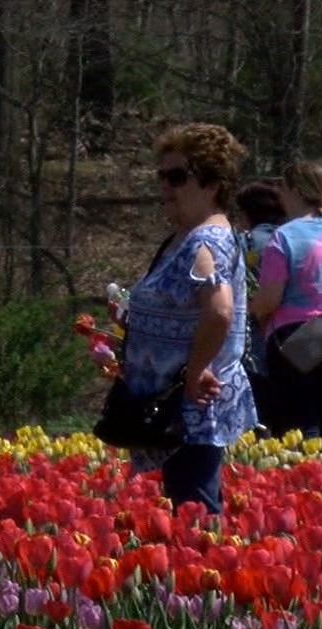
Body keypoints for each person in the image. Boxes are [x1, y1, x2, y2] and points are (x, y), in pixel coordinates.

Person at [117, 122, 257, 515]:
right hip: (175, 402)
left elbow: (219, 309)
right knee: (190, 502)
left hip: (191, 406)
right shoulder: (189, 235)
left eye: (177, 177)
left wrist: (195, 371)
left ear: (211, 183)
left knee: (194, 509)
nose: (165, 186)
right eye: (161, 176)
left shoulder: (204, 241)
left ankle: (207, 558)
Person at [250, 161, 322, 446]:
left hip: (298, 339)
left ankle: (300, 474)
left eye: (282, 188)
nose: (279, 195)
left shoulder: (283, 237)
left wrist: (251, 309)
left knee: (297, 430)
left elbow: (270, 299)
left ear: (296, 191)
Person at [233, 180, 288, 432]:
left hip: (255, 328)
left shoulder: (244, 242)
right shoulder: (291, 237)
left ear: (246, 213)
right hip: (296, 330)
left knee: (260, 397)